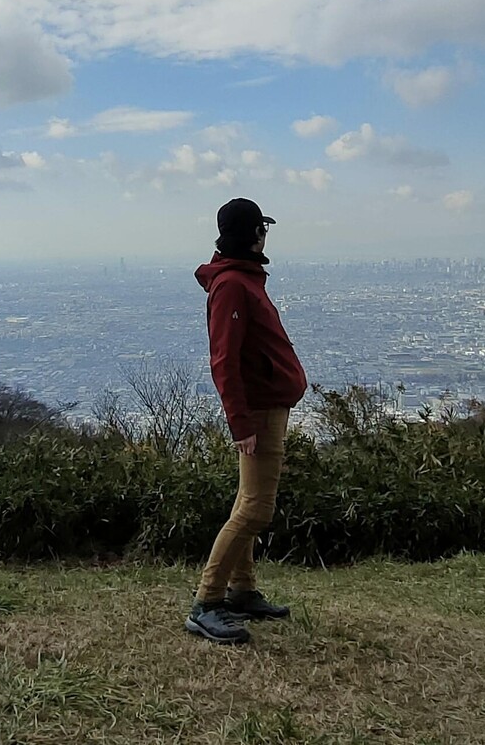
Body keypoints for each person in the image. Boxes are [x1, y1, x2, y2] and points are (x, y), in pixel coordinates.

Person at [185, 197, 310, 644]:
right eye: (262, 229)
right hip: (257, 411)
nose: (265, 237)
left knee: (247, 501)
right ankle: (207, 602)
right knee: (256, 509)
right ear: (250, 234)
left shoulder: (242, 279)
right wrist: (241, 426)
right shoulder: (234, 285)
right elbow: (224, 361)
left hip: (267, 406)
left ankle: (241, 591)